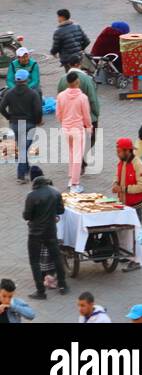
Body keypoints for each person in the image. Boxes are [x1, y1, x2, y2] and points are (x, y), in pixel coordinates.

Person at [23, 166, 68, 297]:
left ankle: (40, 291)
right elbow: (61, 210)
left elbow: (27, 216)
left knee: (34, 261)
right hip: (50, 231)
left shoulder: (31, 196)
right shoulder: (55, 192)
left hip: (35, 233)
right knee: (57, 257)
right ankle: (62, 285)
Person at [1, 69, 42, 183]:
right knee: (24, 149)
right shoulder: (33, 93)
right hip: (29, 124)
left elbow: (2, 107)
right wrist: (38, 121)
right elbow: (38, 110)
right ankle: (21, 175)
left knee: (22, 148)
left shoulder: (9, 93)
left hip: (15, 124)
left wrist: (9, 117)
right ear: (27, 79)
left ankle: (27, 169)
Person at [55, 74, 93, 193]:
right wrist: (89, 126)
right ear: (77, 82)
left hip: (66, 128)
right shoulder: (82, 97)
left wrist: (64, 123)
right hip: (77, 129)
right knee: (77, 156)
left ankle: (71, 178)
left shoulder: (61, 96)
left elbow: (58, 114)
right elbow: (86, 115)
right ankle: (75, 184)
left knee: (71, 153)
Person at [112, 137, 142, 220]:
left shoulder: (138, 165)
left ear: (127, 151)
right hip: (123, 204)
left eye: (119, 152)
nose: (117, 154)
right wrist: (115, 183)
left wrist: (123, 189)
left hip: (135, 207)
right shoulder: (122, 161)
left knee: (134, 231)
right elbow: (117, 175)